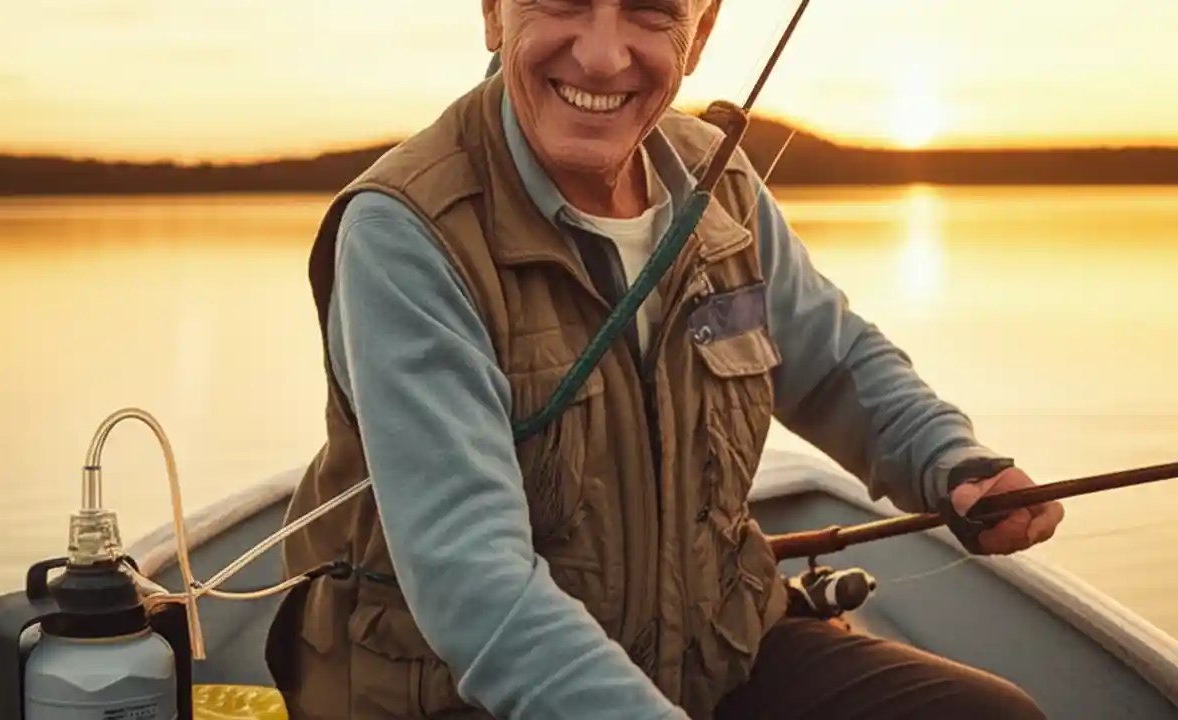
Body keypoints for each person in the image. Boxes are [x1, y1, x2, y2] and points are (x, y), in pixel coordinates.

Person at [265, 1, 1064, 718]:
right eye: (566, 2)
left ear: (702, 31)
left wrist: (950, 460)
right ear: (492, 13)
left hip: (710, 653)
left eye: (650, 10)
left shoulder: (719, 178)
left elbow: (834, 362)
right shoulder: (405, 233)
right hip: (455, 692)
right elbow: (477, 589)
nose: (604, 55)